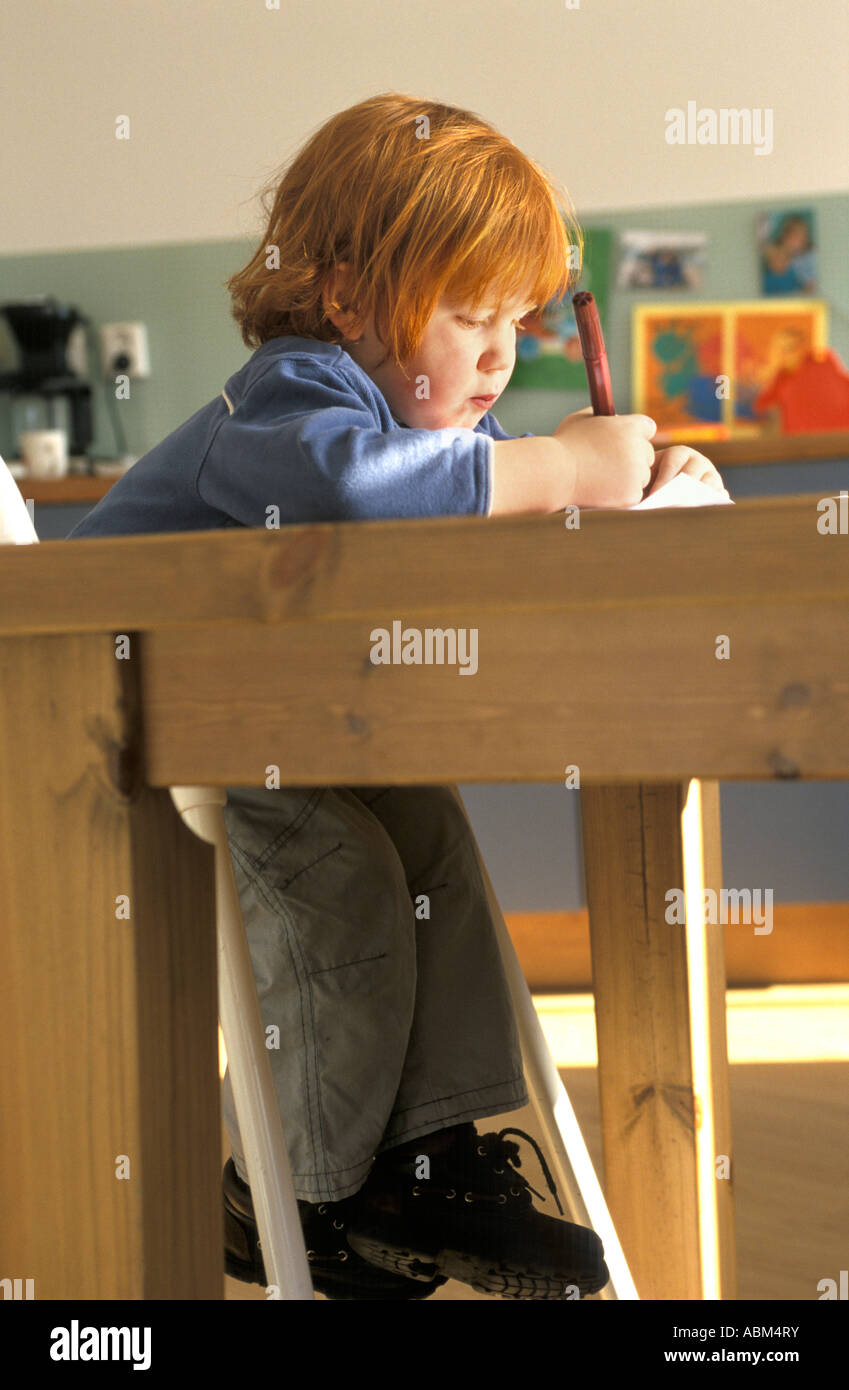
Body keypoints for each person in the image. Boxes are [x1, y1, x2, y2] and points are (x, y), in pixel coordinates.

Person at [67, 91, 725, 1300]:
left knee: (433, 841)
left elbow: (428, 510)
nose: (498, 354)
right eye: (470, 316)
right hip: (117, 735)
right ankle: (311, 1197)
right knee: (354, 894)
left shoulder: (385, 422)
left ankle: (428, 1152)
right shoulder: (294, 391)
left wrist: (593, 486)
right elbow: (367, 491)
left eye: (518, 322)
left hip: (259, 731)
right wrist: (565, 465)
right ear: (348, 300)